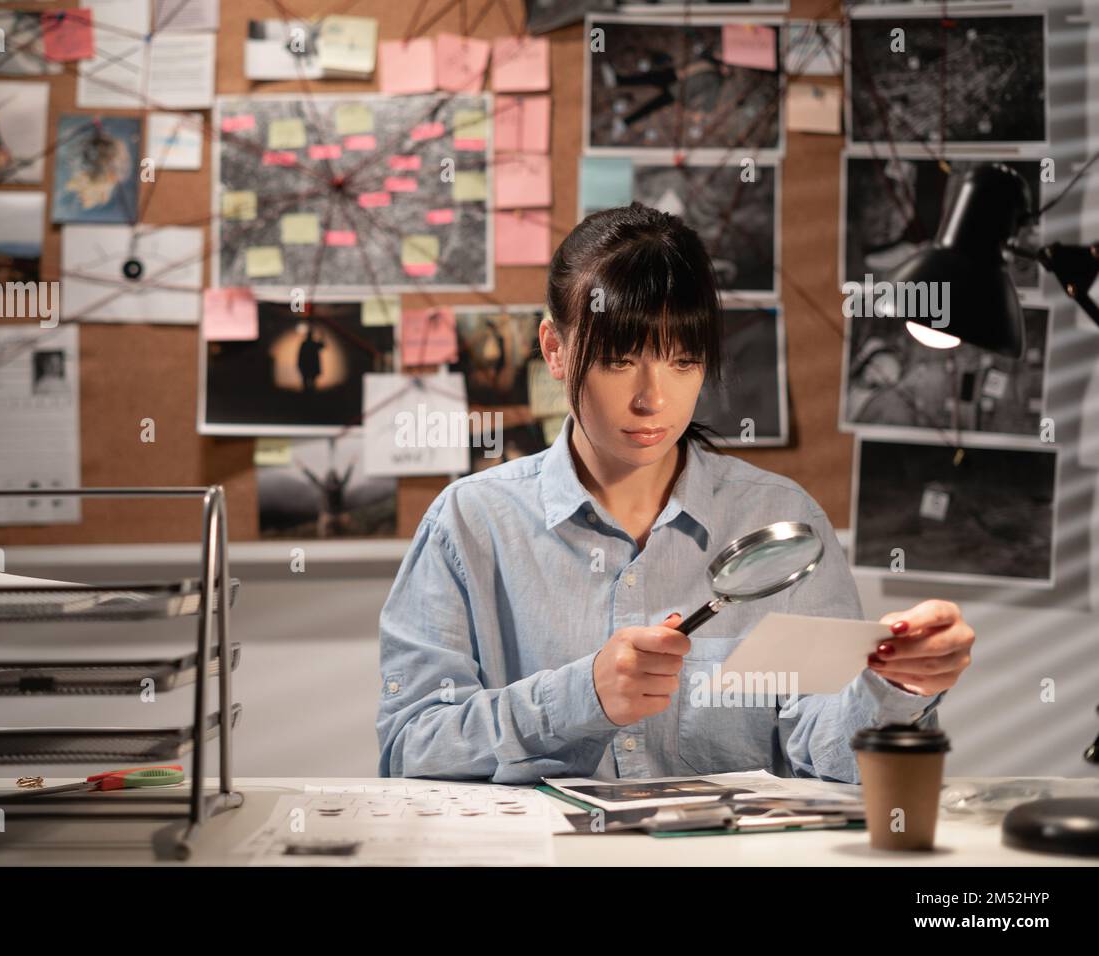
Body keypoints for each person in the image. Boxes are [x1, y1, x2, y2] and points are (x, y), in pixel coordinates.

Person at [376, 202, 975, 785]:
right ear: (555, 350)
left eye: (683, 361)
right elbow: (411, 746)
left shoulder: (778, 517)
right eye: (618, 360)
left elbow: (828, 749)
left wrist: (898, 687)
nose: (652, 400)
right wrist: (581, 697)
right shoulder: (471, 523)